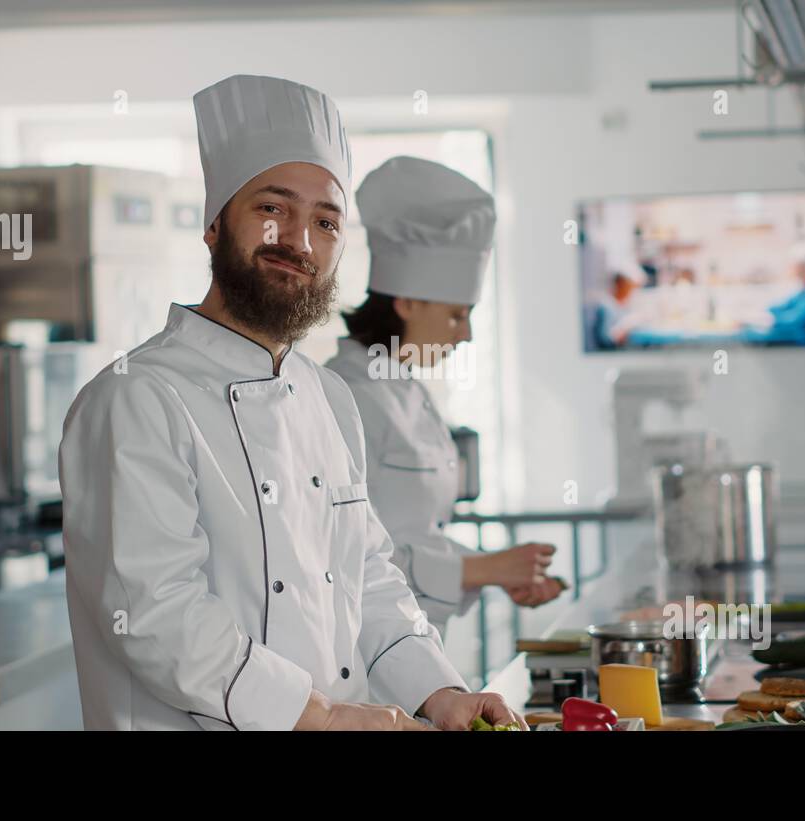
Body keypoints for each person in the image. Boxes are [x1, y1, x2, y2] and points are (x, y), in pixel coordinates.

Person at [59, 76, 523, 731]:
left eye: (326, 221)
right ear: (214, 222)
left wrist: (442, 692)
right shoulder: (135, 397)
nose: (300, 241)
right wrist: (321, 715)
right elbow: (158, 614)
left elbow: (370, 576)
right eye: (272, 208)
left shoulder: (328, 397)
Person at [325, 156, 564, 636]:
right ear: (406, 301)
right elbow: (340, 552)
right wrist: (486, 569)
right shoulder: (344, 394)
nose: (467, 334)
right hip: (361, 648)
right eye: (457, 315)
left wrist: (499, 571)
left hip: (411, 639)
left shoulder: (405, 388)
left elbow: (412, 536)